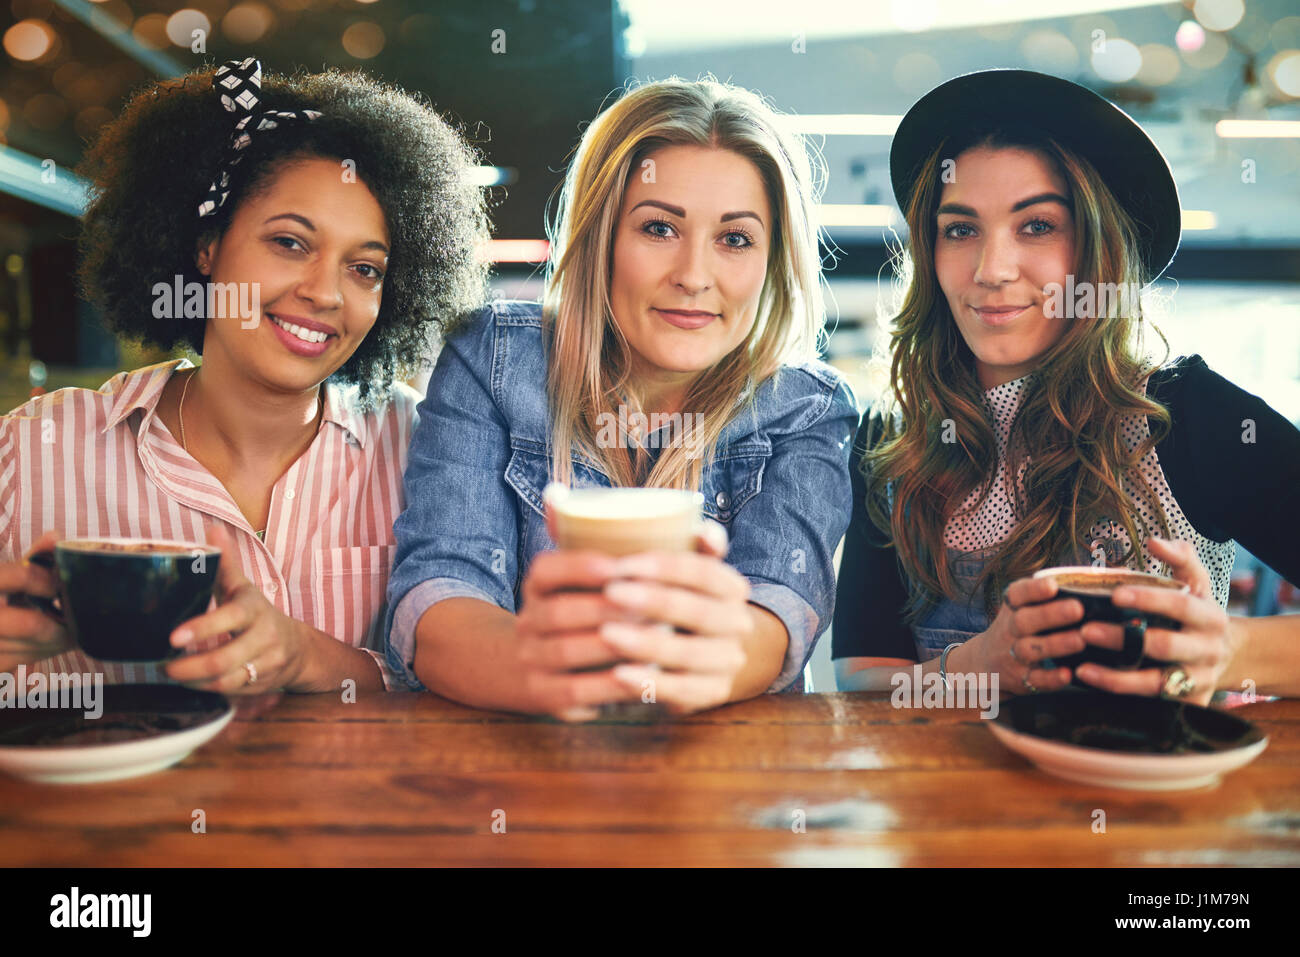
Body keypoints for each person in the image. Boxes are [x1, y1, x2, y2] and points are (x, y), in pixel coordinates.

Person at [0, 58, 488, 693]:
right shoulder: (31, 452)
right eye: (289, 242)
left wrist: (310, 659)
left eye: (364, 268)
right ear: (205, 248)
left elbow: (465, 699)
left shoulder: (427, 451)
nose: (325, 293)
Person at [385, 78, 858, 719]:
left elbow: (778, 614)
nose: (693, 276)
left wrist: (710, 660)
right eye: (659, 228)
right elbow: (437, 598)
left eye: (735, 239)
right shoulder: (494, 359)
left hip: (719, 784)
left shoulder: (807, 407)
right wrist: (548, 674)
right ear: (601, 236)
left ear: (774, 262)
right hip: (515, 778)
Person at [833, 69, 1300, 706]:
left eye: (1038, 226)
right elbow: (860, 682)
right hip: (946, 801)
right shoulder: (889, 445)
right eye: (961, 229)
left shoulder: (1185, 416)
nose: (992, 270)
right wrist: (973, 668)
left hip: (1147, 796)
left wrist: (1233, 651)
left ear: (1096, 250)